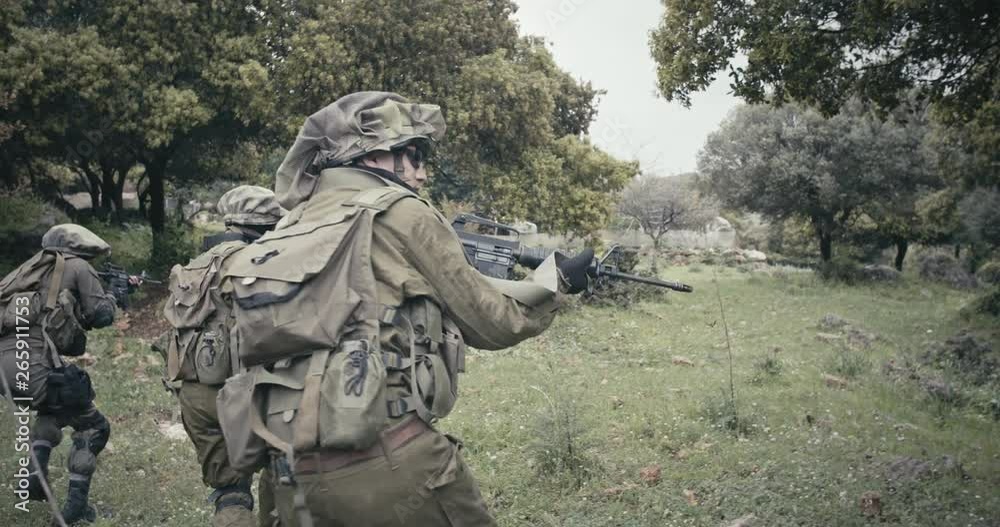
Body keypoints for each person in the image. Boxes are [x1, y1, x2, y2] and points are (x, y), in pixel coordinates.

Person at [226, 91, 593, 526]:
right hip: (389, 460)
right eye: (414, 155)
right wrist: (556, 281)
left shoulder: (290, 223)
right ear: (376, 155)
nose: (422, 173)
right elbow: (495, 322)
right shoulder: (401, 212)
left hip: (287, 475)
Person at [161, 186, 284, 527]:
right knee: (282, 477)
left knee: (231, 491)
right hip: (248, 393)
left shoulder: (197, 265)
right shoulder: (264, 262)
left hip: (195, 396)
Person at [0, 224, 135, 524]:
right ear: (82, 249)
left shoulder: (28, 270)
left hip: (6, 368)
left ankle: (35, 475)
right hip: (33, 362)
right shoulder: (78, 266)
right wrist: (115, 295)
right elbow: (100, 315)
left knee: (54, 410)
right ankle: (74, 510)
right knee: (94, 427)